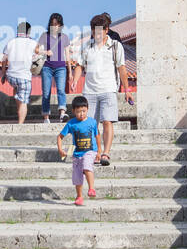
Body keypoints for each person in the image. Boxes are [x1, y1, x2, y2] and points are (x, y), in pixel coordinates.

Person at [69, 14, 132, 165]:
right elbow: (80, 65)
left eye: (99, 32)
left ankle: (106, 153)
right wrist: (76, 80)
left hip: (108, 89)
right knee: (88, 124)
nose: (96, 35)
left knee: (107, 122)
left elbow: (121, 68)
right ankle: (93, 152)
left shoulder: (116, 46)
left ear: (106, 30)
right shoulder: (87, 47)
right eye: (93, 32)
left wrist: (127, 89)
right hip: (89, 90)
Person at [57, 95, 101, 206]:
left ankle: (91, 188)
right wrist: (60, 149)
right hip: (76, 153)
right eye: (78, 111)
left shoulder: (92, 122)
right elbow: (60, 136)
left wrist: (99, 151)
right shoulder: (71, 123)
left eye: (83, 111)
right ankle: (79, 196)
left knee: (87, 166)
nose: (81, 114)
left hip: (90, 151)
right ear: (73, 111)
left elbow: (97, 136)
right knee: (77, 177)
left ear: (87, 109)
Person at [35, 12, 70, 123]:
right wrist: (45, 51)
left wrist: (70, 71)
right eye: (53, 24)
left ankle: (62, 114)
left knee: (61, 90)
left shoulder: (65, 37)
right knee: (46, 92)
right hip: (47, 67)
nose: (55, 26)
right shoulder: (44, 36)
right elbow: (36, 49)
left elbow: (67, 55)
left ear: (61, 25)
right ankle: (46, 117)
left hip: (61, 67)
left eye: (57, 24)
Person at [2, 20, 38, 125]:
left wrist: (4, 73)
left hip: (11, 76)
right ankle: (20, 123)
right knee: (23, 102)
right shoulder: (33, 43)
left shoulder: (10, 42)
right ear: (29, 32)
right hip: (24, 77)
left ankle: (18, 99)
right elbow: (39, 57)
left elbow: (4, 60)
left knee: (17, 89)